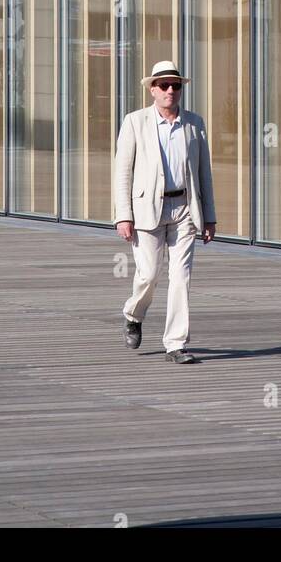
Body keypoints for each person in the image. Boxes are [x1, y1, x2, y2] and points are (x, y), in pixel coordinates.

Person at [112, 60, 216, 364]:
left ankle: (176, 343)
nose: (171, 90)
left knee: (181, 276)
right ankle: (133, 314)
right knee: (149, 274)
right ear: (152, 90)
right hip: (147, 209)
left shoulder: (194, 123)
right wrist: (123, 215)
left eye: (176, 85)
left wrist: (209, 216)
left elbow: (203, 173)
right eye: (164, 85)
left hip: (184, 207)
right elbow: (123, 172)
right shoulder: (135, 122)